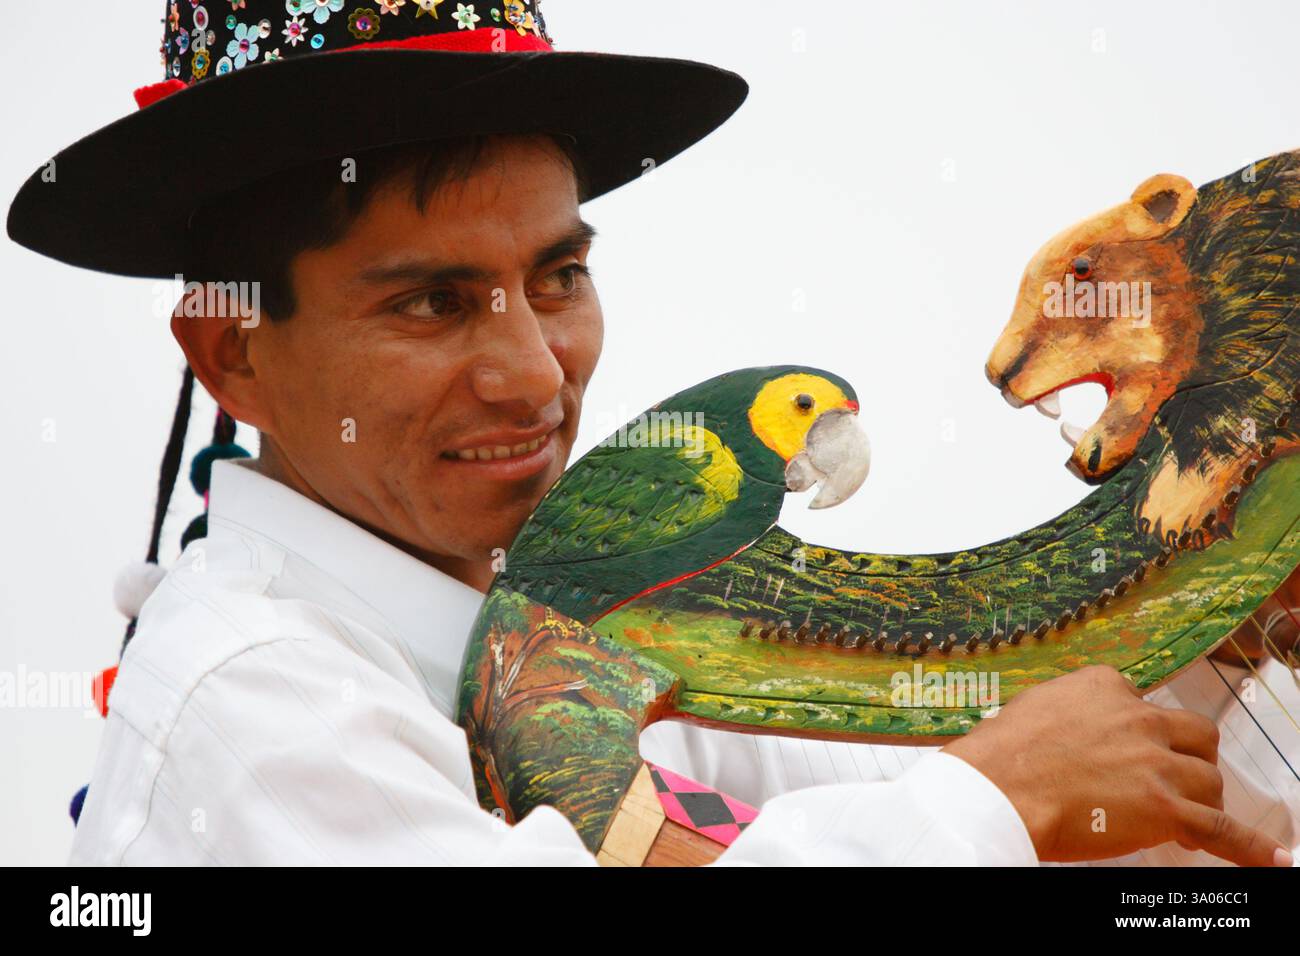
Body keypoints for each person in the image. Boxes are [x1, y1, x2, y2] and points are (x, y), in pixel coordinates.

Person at [9, 1, 1293, 867]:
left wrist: (1240, 628)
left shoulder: (600, 620)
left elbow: (974, 775)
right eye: (431, 302)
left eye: (556, 276)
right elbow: (969, 801)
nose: (531, 372)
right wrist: (984, 812)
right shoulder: (251, 698)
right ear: (232, 350)